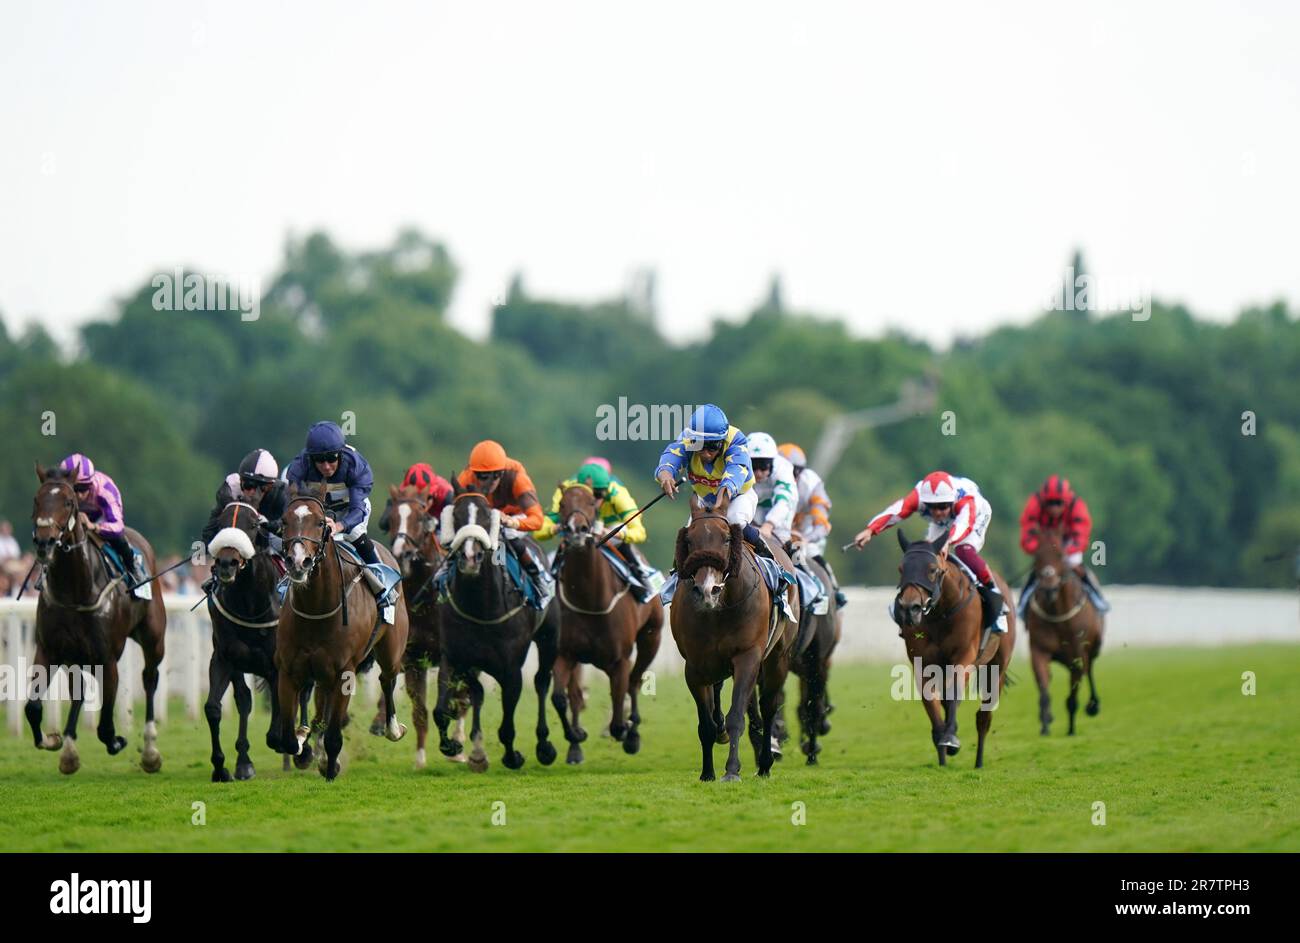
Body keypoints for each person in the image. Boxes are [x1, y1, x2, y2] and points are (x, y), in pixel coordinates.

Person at [853, 471, 1006, 633]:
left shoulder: (966, 501)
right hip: (945, 523)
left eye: (942, 506)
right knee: (925, 556)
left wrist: (948, 541)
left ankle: (995, 597)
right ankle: (914, 606)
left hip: (974, 517)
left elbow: (964, 524)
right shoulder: (918, 495)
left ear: (951, 501)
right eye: (932, 507)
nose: (937, 511)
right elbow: (895, 512)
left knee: (964, 551)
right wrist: (870, 530)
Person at [284, 421, 393, 610]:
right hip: (317, 512)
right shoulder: (299, 466)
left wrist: (339, 525)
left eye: (332, 458)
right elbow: (295, 502)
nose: (326, 466)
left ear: (341, 453)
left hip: (349, 511)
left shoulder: (355, 466)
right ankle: (284, 582)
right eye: (319, 459)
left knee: (356, 536)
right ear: (311, 458)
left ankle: (383, 587)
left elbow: (358, 510)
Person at [536, 461, 661, 603]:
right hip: (577, 530)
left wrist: (618, 534)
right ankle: (545, 591)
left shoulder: (617, 492)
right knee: (554, 555)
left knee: (620, 529)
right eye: (593, 495)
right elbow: (539, 531)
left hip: (609, 529)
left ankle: (642, 574)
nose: (597, 500)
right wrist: (555, 528)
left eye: (601, 494)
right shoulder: (566, 490)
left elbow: (639, 533)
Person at [450, 439, 551, 607]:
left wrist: (512, 522)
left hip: (513, 518)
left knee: (508, 533)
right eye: (479, 476)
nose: (482, 482)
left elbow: (537, 519)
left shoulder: (517, 478)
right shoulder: (466, 477)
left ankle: (538, 577)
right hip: (484, 518)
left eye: (487, 477)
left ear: (500, 474)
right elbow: (456, 512)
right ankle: (444, 572)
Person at [57, 453, 150, 595]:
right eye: (75, 489)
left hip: (101, 517)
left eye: (84, 488)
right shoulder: (59, 492)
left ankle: (133, 569)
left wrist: (94, 526)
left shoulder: (105, 490)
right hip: (74, 515)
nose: (79, 495)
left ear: (91, 483)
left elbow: (118, 527)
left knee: (118, 538)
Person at [1018, 475, 1108, 614]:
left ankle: (1096, 597)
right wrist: (1038, 549)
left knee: (1075, 565)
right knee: (1039, 569)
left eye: (1058, 503)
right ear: (1044, 501)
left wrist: (1066, 551)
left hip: (1067, 543)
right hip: (1045, 544)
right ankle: (1023, 604)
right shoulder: (1034, 503)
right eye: (1050, 503)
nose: (1054, 508)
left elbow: (1081, 535)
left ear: (1065, 501)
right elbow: (1027, 531)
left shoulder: (1076, 505)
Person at [778, 442, 848, 608]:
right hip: (775, 532)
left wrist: (806, 538)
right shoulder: (767, 478)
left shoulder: (812, 484)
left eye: (796, 471)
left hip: (804, 534)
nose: (792, 476)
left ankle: (834, 591)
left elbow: (822, 524)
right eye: (786, 470)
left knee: (811, 553)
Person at [201, 448, 288, 553]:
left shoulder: (281, 494)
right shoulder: (229, 492)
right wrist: (198, 555)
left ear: (271, 486)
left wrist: (270, 525)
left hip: (272, 541)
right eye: (248, 485)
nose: (252, 493)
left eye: (262, 488)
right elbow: (210, 529)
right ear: (240, 481)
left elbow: (290, 529)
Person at [378, 462, 454, 535]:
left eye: (425, 497)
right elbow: (383, 524)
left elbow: (456, 521)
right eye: (414, 497)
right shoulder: (402, 492)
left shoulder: (446, 493)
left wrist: (436, 524)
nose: (420, 503)